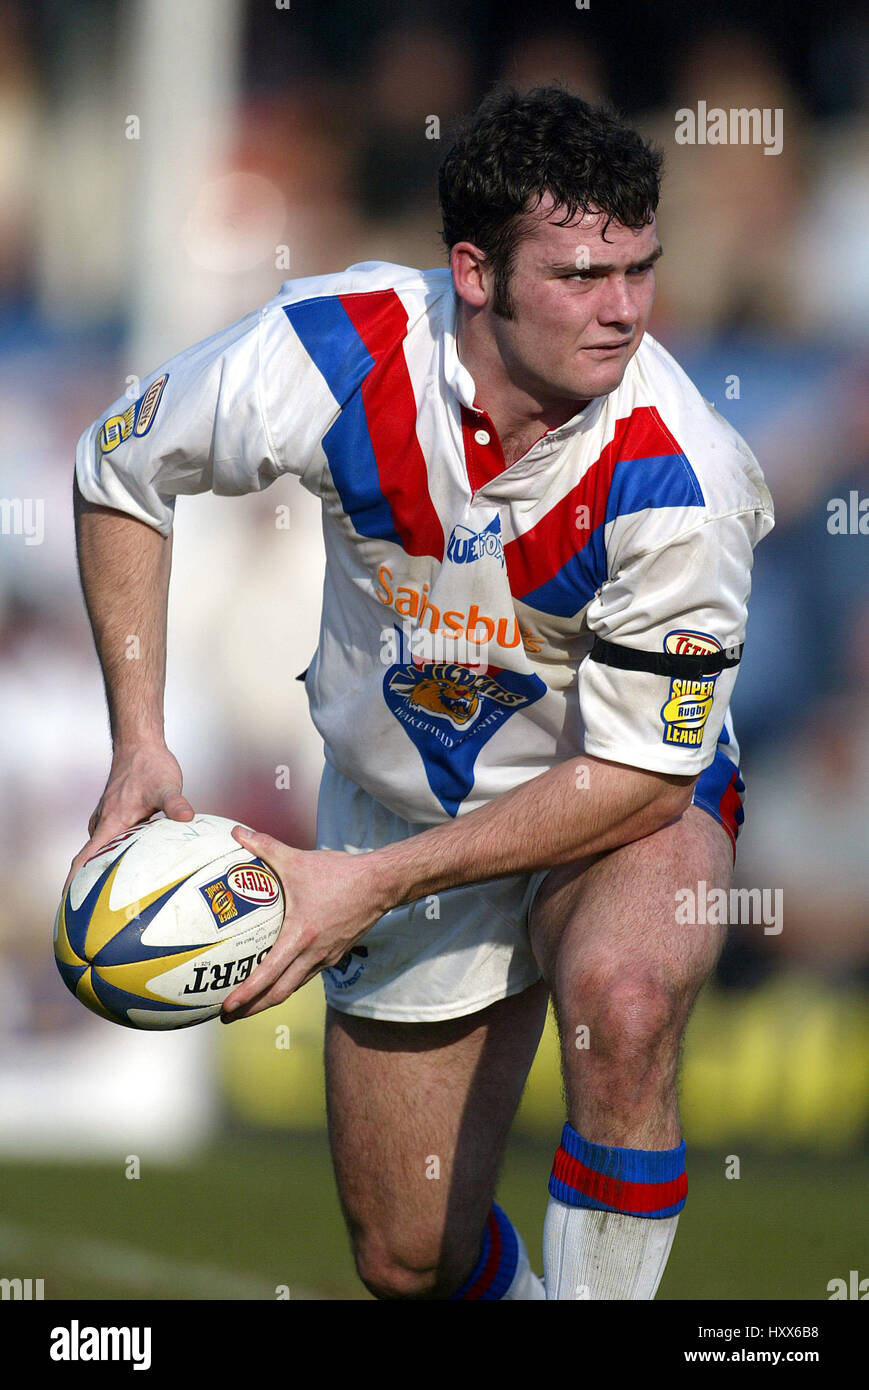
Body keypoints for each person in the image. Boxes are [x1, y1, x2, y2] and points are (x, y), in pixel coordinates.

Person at [70, 84, 774, 1300]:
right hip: (397, 803)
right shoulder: (330, 349)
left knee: (623, 992)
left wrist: (360, 890)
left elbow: (642, 772)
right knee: (406, 1260)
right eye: (576, 276)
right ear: (472, 272)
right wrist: (140, 738)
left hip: (606, 800)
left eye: (638, 270)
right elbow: (121, 467)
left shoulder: (683, 478)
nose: (620, 310)